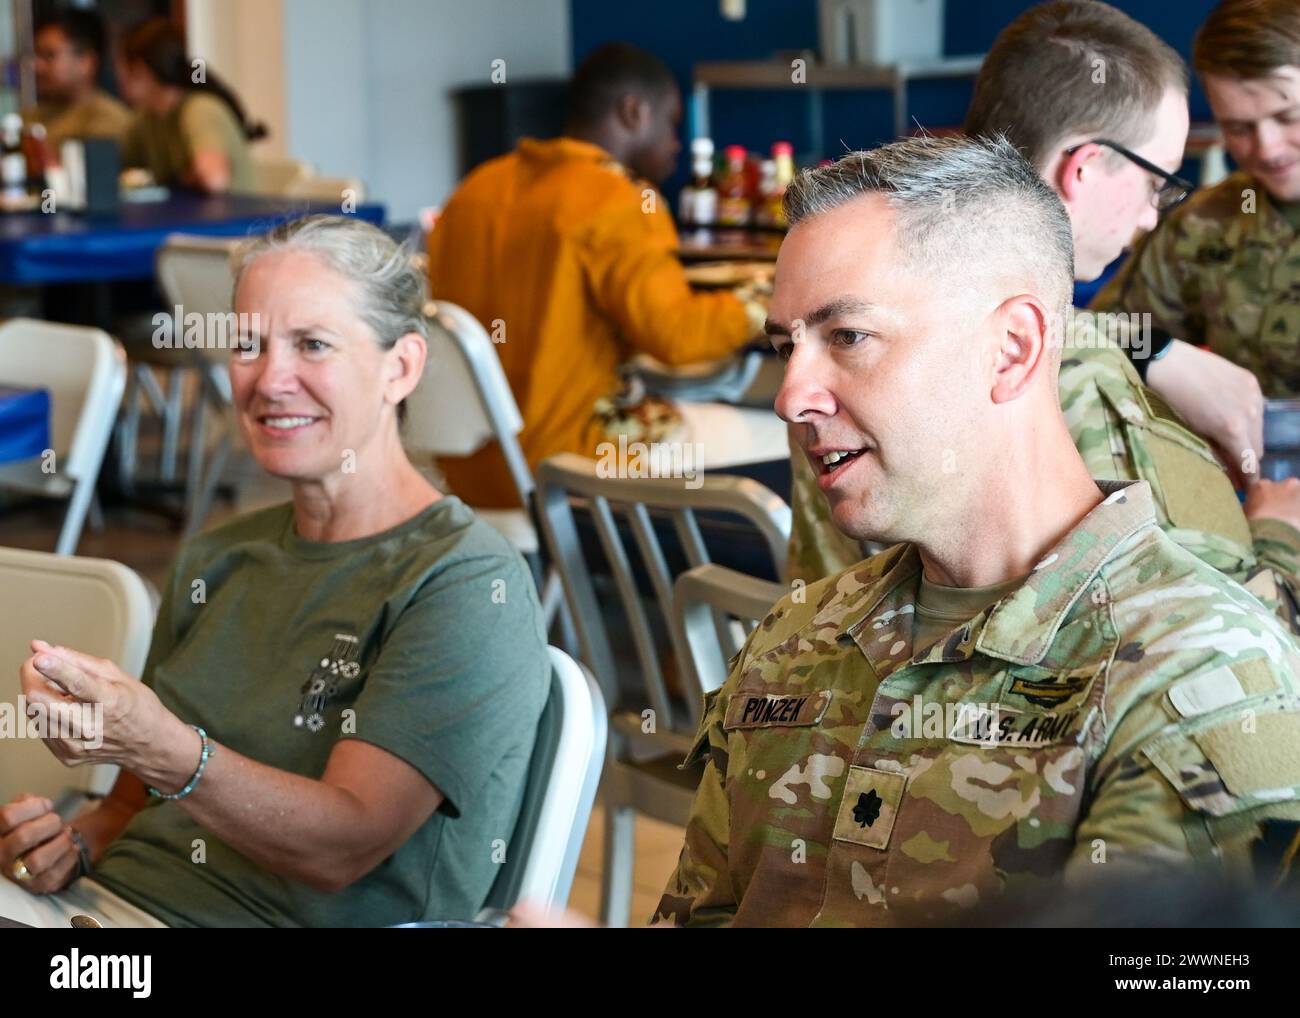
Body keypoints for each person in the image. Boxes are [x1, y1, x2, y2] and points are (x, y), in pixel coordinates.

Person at [654, 135, 1300, 928]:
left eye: (847, 337)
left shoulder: (1192, 676)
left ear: (1013, 348)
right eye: (787, 346)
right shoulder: (799, 637)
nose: (792, 396)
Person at [0, 216, 550, 927]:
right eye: (248, 345)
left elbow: (343, 847)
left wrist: (164, 747)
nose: (269, 379)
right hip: (102, 919)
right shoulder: (217, 558)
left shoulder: (466, 583)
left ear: (401, 367)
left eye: (312, 345)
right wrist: (70, 843)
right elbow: (129, 808)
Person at [788, 0, 1300, 641]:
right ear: (1083, 168)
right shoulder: (1080, 377)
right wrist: (1282, 530)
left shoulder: (842, 329)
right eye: (1154, 185)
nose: (1151, 218)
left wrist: (1144, 346)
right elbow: (1217, 638)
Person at [427, 42, 767, 508]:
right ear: (634, 112)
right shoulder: (617, 197)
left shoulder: (475, 188)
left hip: (464, 473)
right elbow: (676, 337)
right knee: (776, 430)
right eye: (670, 124)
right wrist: (762, 302)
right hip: (561, 465)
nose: (676, 144)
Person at [1094, 0, 1300, 397]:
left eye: (1288, 117)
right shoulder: (1204, 223)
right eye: (1239, 127)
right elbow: (1100, 335)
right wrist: (1160, 358)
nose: (1269, 148)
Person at [116, 18, 259, 194]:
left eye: (121, 65)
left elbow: (215, 179)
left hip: (234, 219)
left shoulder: (199, 110)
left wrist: (183, 178)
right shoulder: (145, 119)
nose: (117, 74)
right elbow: (117, 167)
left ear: (140, 70)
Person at [22, 9, 131, 154]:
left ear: (86, 62)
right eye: (36, 55)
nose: (37, 66)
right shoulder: (30, 116)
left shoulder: (108, 121)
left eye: (49, 56)